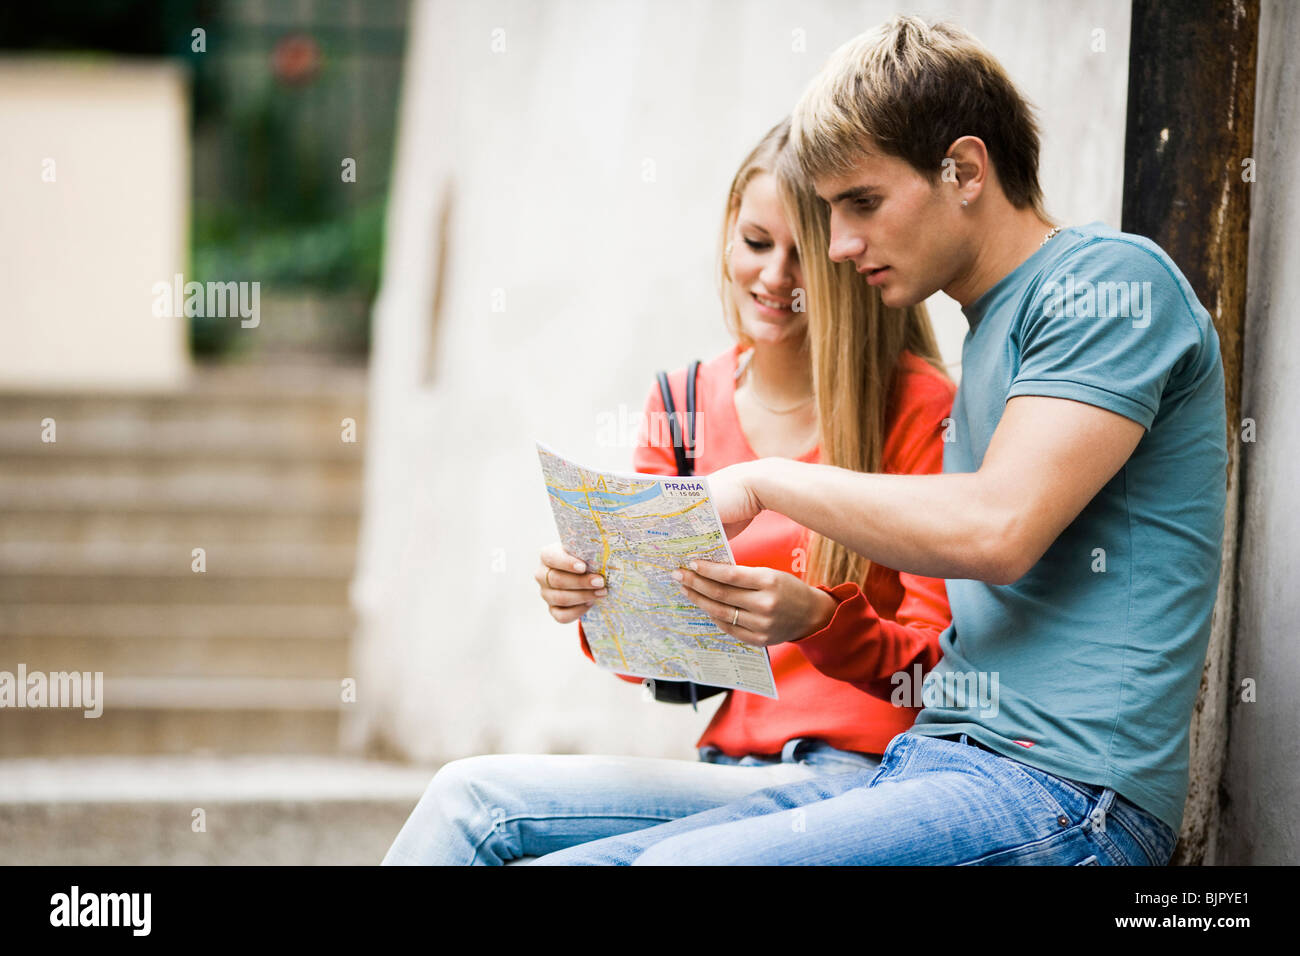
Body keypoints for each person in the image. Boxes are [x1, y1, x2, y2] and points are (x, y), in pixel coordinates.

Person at [535, 16, 1228, 866]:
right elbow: (944, 650)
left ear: (964, 170)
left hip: (1072, 797)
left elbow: (996, 531)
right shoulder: (987, 339)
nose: (838, 247)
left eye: (860, 203)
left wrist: (765, 482)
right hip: (936, 764)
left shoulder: (1108, 284)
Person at [381, 119, 957, 865]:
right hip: (728, 773)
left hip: (858, 780)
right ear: (727, 239)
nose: (776, 277)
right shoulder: (684, 399)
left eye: (804, 255)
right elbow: (656, 657)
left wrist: (818, 621)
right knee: (466, 799)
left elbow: (937, 676)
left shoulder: (918, 405)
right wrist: (594, 599)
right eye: (755, 243)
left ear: (849, 260)